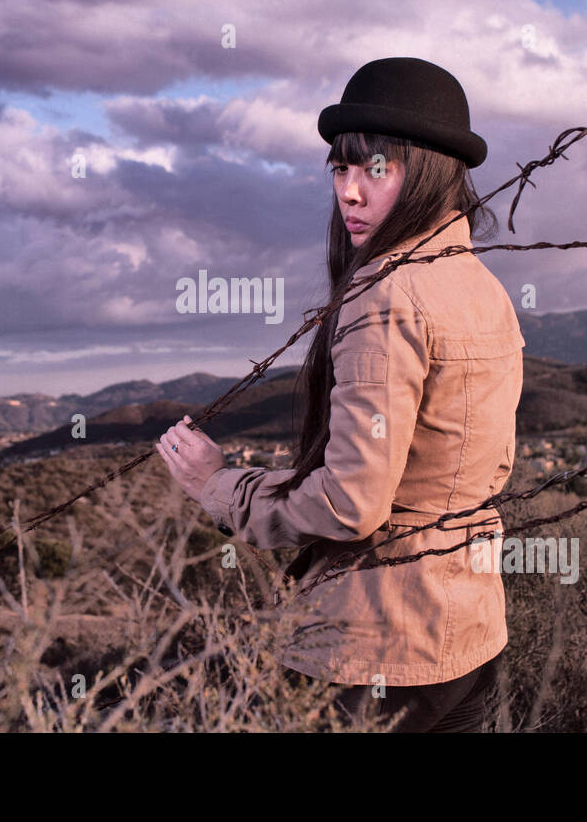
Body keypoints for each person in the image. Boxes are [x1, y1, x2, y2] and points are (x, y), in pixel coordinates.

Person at [157, 57, 524, 732]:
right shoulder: (481, 287)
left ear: (432, 172)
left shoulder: (387, 294)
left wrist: (220, 486)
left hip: (373, 646)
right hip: (469, 628)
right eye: (340, 168)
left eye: (376, 168)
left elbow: (352, 503)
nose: (350, 192)